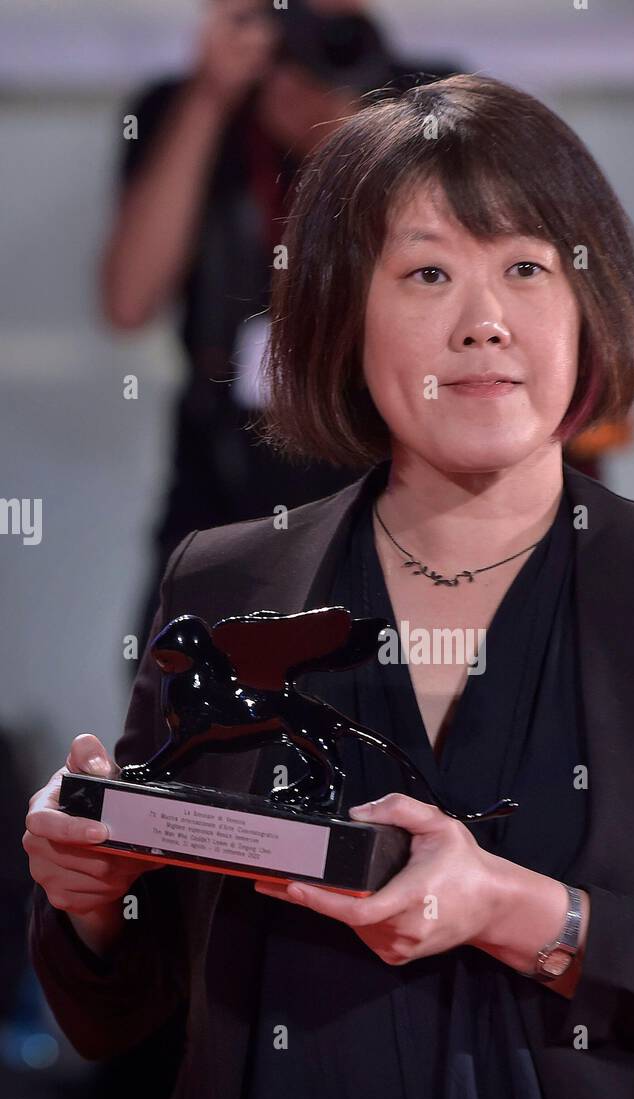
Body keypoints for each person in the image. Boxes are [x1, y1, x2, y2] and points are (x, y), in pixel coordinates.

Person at [25, 74, 634, 1099]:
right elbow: (125, 1006)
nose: (484, 322)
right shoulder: (227, 576)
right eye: (424, 274)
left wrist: (519, 908)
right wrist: (90, 897)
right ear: (339, 317)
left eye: (526, 267)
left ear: (591, 305)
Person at [100, 0, 458, 643]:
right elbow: (129, 300)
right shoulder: (178, 108)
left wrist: (344, 150)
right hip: (225, 462)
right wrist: (210, 101)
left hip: (389, 450)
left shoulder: (428, 97)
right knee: (191, 687)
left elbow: (445, 281)